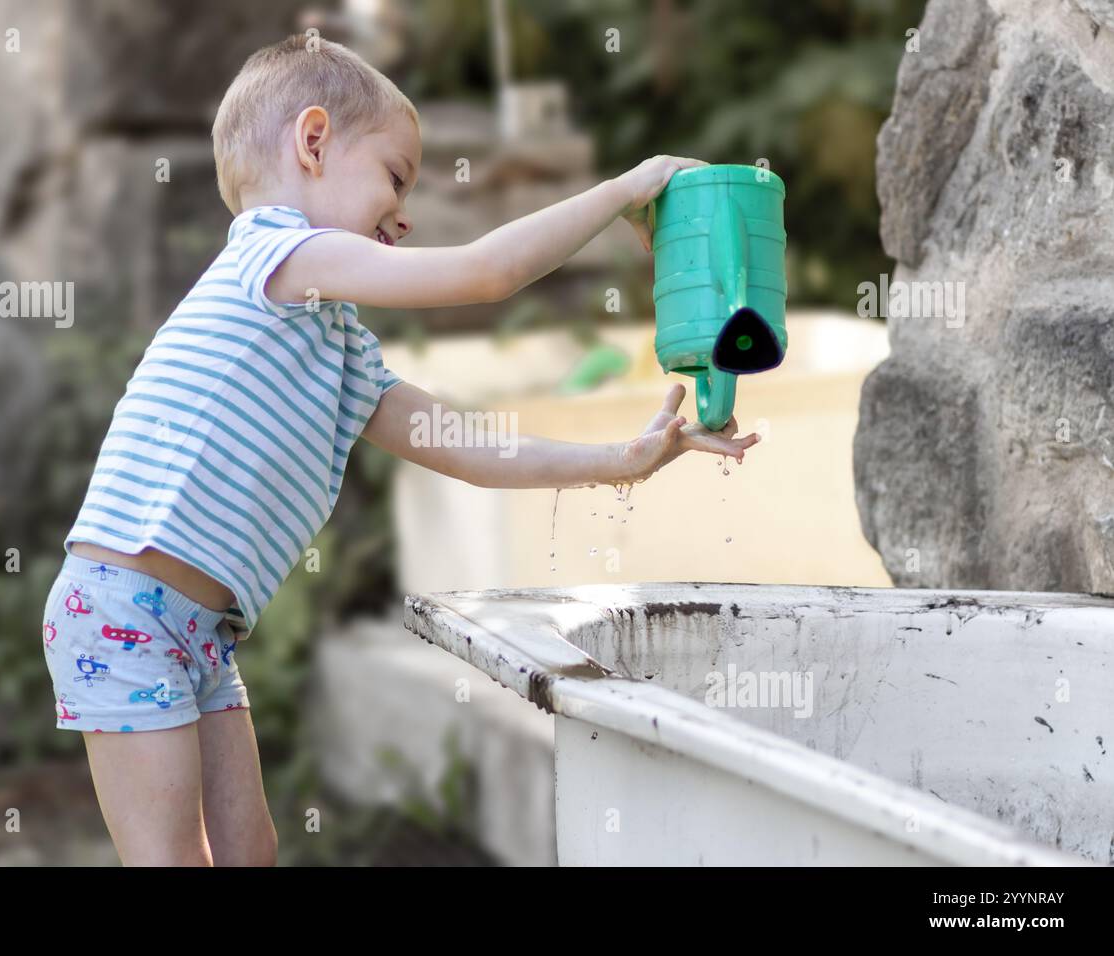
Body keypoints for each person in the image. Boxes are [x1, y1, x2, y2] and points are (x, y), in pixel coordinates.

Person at [40, 33, 760, 866]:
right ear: (313, 143)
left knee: (249, 855)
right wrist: (623, 191)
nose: (406, 211)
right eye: (394, 176)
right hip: (121, 608)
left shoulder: (339, 348)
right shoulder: (275, 255)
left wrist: (618, 459)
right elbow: (484, 273)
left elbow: (467, 446)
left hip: (201, 632)